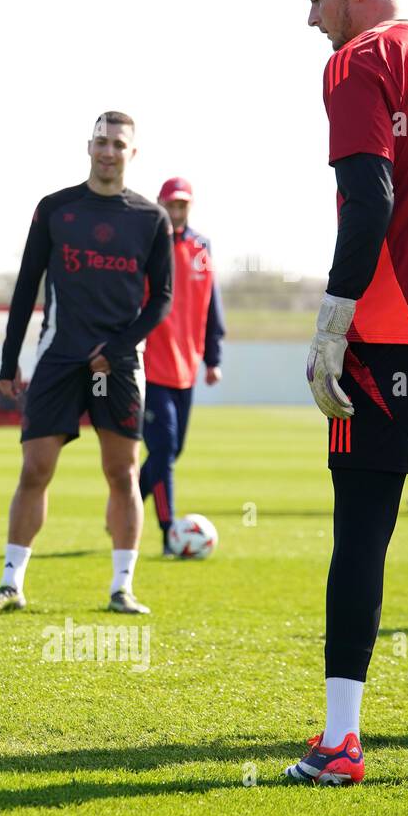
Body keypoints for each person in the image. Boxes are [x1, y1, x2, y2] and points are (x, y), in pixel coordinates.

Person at [289, 0, 408, 785]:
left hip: (389, 336)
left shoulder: (363, 58)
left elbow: (371, 197)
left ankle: (341, 743)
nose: (310, 14)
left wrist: (334, 316)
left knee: (362, 535)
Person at [0, 112, 173, 618]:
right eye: (101, 142)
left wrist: (120, 347)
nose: (109, 151)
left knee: (122, 472)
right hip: (59, 357)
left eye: (119, 145)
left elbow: (162, 300)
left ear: (133, 153)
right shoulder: (55, 209)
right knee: (35, 469)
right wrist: (7, 359)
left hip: (120, 365)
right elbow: (26, 285)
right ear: (89, 146)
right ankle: (10, 583)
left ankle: (122, 587)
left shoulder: (152, 219)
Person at [139, 177, 226, 554]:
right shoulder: (145, 244)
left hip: (187, 366)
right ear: (159, 203)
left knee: (171, 452)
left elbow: (211, 304)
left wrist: (212, 358)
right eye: (170, 204)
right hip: (150, 365)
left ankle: (124, 503)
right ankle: (168, 533)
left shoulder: (202, 247)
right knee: (164, 450)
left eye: (182, 205)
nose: (176, 211)